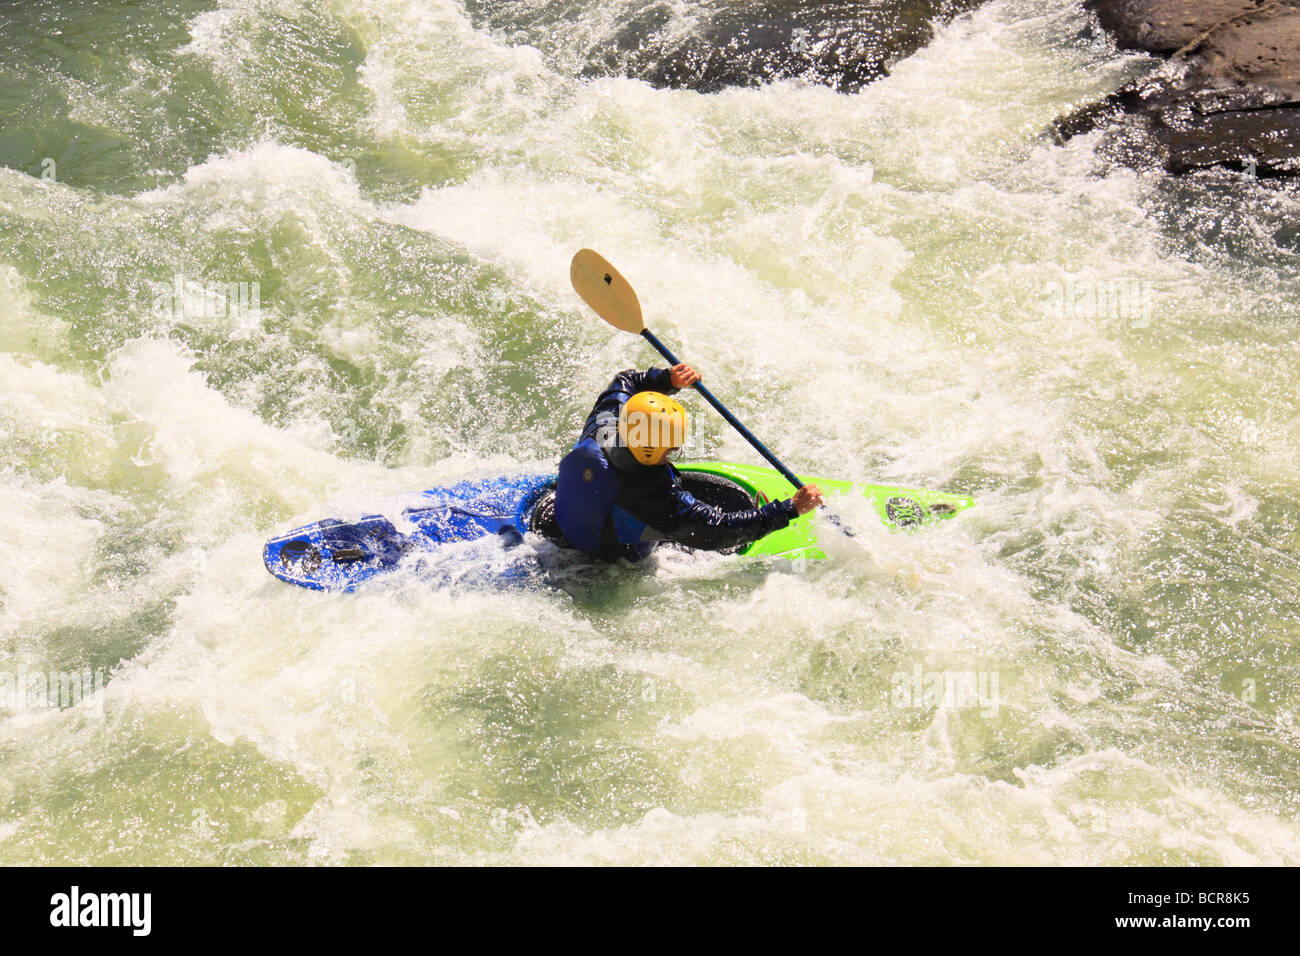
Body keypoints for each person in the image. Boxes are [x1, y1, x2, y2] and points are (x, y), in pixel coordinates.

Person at [553, 363, 824, 562]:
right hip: (608, 558)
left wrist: (667, 379)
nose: (673, 452)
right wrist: (789, 509)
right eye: (670, 450)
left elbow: (625, 382)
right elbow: (718, 530)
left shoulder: (606, 422)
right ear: (649, 450)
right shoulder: (653, 495)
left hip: (565, 518)